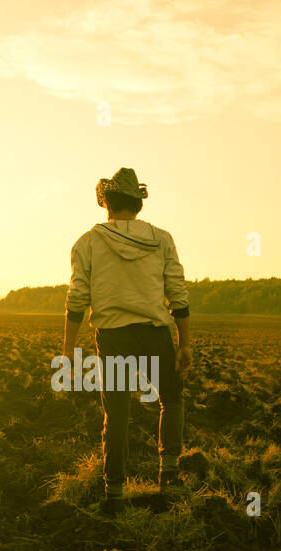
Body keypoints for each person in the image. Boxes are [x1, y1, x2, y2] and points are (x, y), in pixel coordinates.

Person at [62, 167, 192, 515]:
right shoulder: (162, 239)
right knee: (171, 398)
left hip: (114, 336)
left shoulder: (87, 243)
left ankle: (115, 493)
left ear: (106, 204)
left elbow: (77, 299)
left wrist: (69, 346)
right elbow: (177, 293)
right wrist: (185, 343)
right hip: (154, 332)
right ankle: (170, 475)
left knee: (116, 412)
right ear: (138, 205)